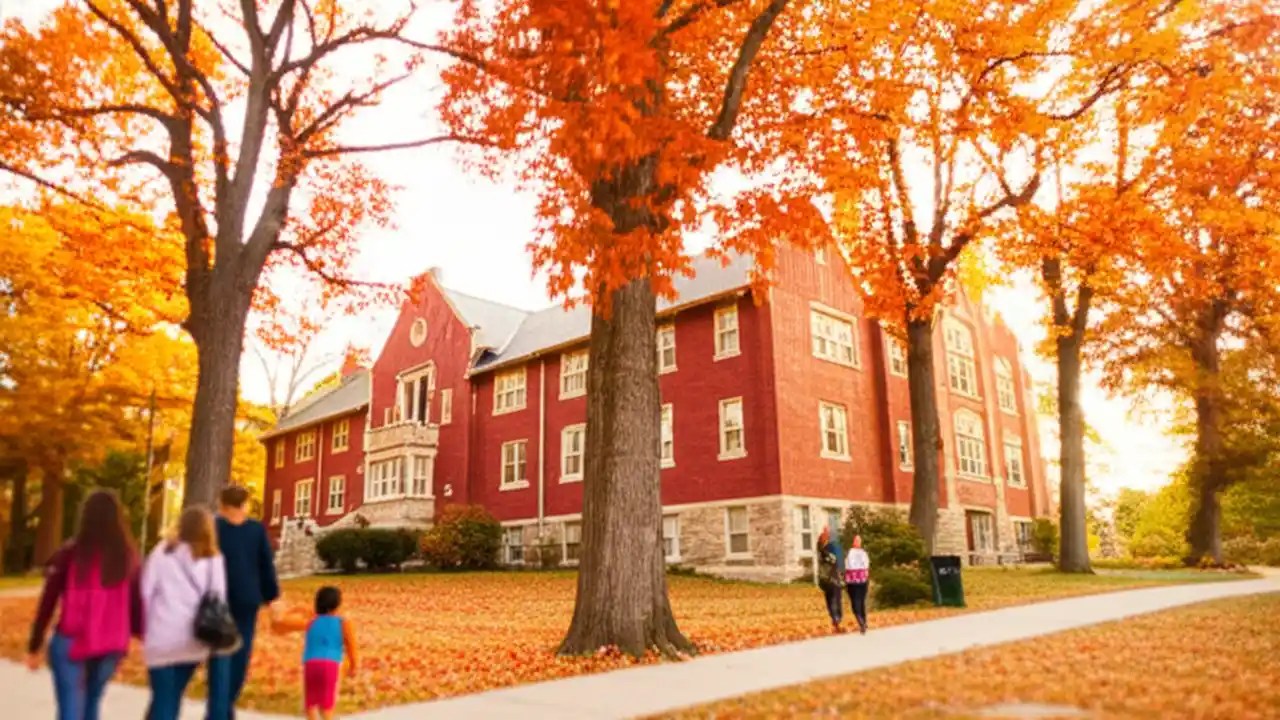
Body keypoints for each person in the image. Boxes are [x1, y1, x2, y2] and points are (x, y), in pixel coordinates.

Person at [26, 490, 143, 720]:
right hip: (110, 643)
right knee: (92, 704)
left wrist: (35, 644)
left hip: (72, 640)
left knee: (70, 708)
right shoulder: (128, 557)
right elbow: (137, 602)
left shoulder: (70, 553)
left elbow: (48, 601)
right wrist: (139, 634)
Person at [142, 507, 229, 720]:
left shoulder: (162, 552)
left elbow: (145, 592)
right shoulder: (213, 558)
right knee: (171, 695)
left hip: (161, 636)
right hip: (193, 640)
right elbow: (218, 597)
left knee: (164, 698)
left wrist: (142, 627)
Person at [209, 486, 281, 717]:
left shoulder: (215, 528)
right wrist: (272, 597)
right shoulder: (254, 530)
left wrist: (272, 596)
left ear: (222, 504)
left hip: (221, 602)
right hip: (244, 600)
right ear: (244, 504)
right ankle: (223, 708)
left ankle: (221, 708)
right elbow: (266, 566)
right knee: (239, 656)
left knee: (222, 658)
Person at [274, 586, 360, 720]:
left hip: (311, 665)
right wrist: (354, 666)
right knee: (327, 708)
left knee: (310, 705)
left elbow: (281, 625)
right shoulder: (343, 623)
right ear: (337, 604)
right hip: (331, 665)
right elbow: (351, 647)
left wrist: (291, 610)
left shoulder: (311, 621)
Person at [816, 526, 845, 633]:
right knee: (833, 599)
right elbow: (834, 560)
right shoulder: (826, 548)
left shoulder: (831, 547)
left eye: (826, 534)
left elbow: (836, 560)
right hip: (829, 578)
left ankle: (836, 619)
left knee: (833, 599)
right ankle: (836, 618)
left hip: (831, 578)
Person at [844, 534, 871, 634]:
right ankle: (863, 621)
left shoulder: (850, 553)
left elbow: (847, 566)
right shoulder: (863, 553)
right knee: (861, 601)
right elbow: (866, 566)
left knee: (856, 602)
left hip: (853, 581)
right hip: (862, 579)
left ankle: (861, 621)